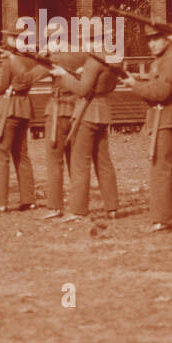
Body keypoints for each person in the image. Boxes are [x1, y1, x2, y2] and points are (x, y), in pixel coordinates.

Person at [127, 23, 172, 231]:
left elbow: (160, 93)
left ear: (167, 39)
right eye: (149, 40)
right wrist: (138, 84)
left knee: (160, 168)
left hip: (167, 117)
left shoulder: (170, 61)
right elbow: (155, 89)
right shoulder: (161, 61)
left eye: (156, 39)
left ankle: (162, 219)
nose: (152, 43)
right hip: (166, 117)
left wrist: (134, 86)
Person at [51, 47, 120, 222]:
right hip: (103, 110)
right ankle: (112, 207)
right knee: (104, 162)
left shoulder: (93, 61)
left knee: (79, 162)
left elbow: (82, 90)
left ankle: (78, 209)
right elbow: (101, 84)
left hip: (87, 112)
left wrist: (62, 75)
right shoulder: (114, 59)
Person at [0, 25, 38, 212]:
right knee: (21, 155)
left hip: (7, 109)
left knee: (1, 154)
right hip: (23, 108)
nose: (6, 41)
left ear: (12, 40)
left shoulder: (10, 61)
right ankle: (28, 199)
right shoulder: (30, 60)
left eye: (8, 38)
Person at [38, 48, 85, 220]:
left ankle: (55, 206)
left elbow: (27, 77)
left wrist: (40, 58)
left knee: (54, 160)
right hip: (76, 109)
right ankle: (78, 206)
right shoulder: (82, 54)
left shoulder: (54, 58)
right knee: (76, 161)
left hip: (57, 109)